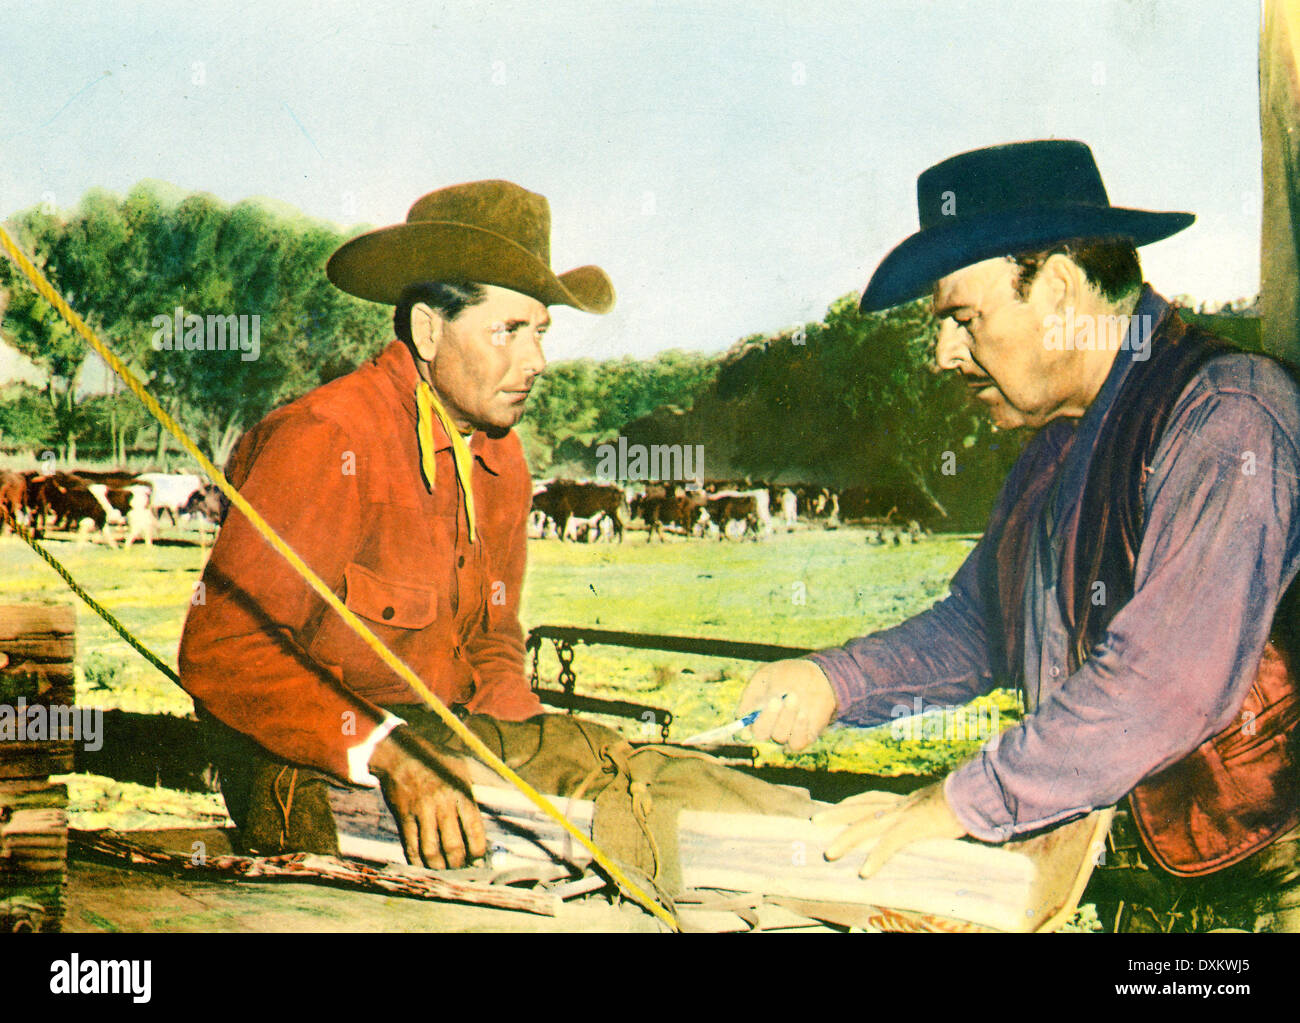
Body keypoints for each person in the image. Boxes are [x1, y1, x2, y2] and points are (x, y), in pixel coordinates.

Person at [737, 140, 1300, 930]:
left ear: (1062, 289)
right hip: (1151, 896)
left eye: (965, 319)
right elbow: (984, 625)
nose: (942, 355)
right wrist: (837, 680)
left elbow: (1164, 686)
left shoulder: (1227, 414)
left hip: (1267, 892)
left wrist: (955, 802)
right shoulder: (1056, 447)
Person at [178, 180, 614, 869]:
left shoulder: (501, 458)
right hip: (319, 771)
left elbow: (494, 642)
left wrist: (537, 748)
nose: (536, 362)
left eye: (540, 333)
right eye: (509, 330)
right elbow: (223, 651)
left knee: (636, 781)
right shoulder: (327, 437)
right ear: (427, 329)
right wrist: (392, 751)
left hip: (455, 742)